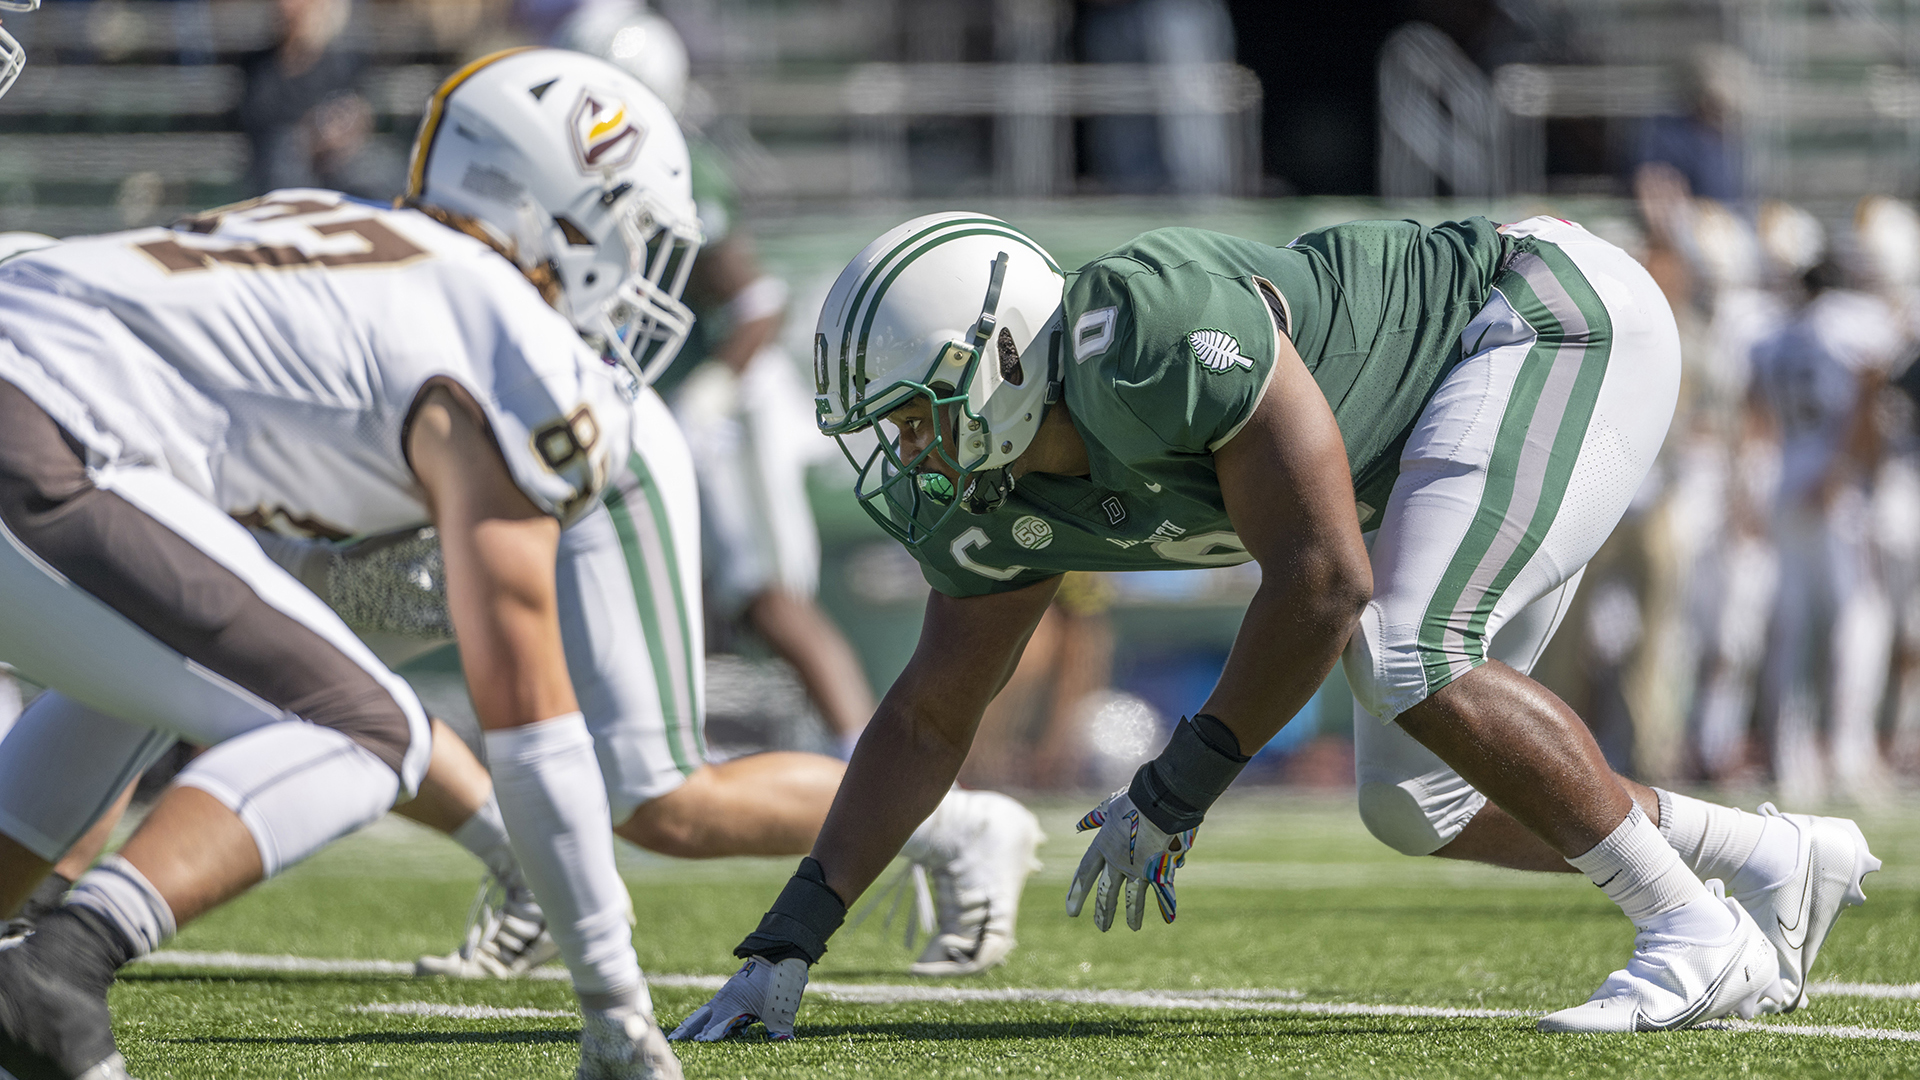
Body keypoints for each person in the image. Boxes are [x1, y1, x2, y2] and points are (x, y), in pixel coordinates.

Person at [672, 211, 1882, 1043]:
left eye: (915, 415)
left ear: (995, 359)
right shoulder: (1004, 497)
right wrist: (790, 939)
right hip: (1437, 432)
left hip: (1542, 317)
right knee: (1418, 805)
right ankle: (1773, 854)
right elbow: (931, 714)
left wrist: (1173, 785)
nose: (909, 453)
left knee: (1403, 646)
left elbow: (1321, 586)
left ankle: (1690, 928)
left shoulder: (1140, 336)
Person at [0, 48, 703, 1080]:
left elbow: (140, 671)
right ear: (561, 208)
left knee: (160, 673)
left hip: (35, 391)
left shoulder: (318, 226)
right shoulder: (510, 336)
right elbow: (532, 723)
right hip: (35, 429)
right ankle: (61, 967)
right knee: (370, 730)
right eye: (630, 231)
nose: (633, 275)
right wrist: (614, 1003)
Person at [559, 2, 881, 754]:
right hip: (656, 406)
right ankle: (665, 750)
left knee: (767, 597)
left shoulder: (678, 165)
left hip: (722, 407)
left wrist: (706, 396)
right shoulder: (587, 175)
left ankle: (864, 751)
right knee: (665, 587)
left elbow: (756, 304)